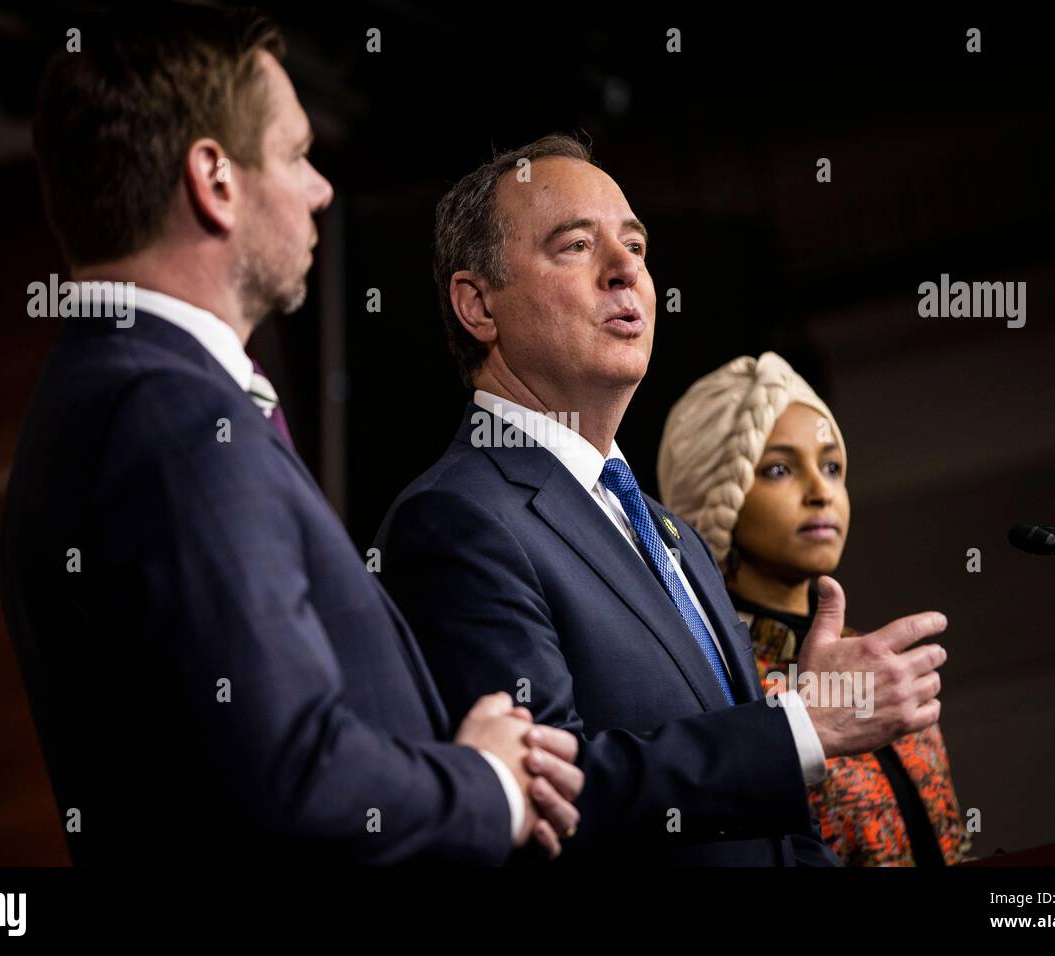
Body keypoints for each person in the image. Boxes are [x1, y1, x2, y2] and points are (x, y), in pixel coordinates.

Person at [1, 6, 582, 865]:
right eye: (298, 154)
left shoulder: (101, 397)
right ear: (215, 179)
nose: (322, 188)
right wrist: (487, 783)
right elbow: (296, 776)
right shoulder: (172, 419)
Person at [375, 134, 948, 864]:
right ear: (478, 305)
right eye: (576, 246)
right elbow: (546, 797)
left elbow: (774, 839)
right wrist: (802, 727)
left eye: (637, 247)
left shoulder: (670, 535)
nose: (625, 272)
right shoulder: (457, 519)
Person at [658, 352, 972, 865]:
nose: (820, 491)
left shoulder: (882, 663)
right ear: (715, 494)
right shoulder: (712, 684)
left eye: (831, 467)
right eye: (779, 469)